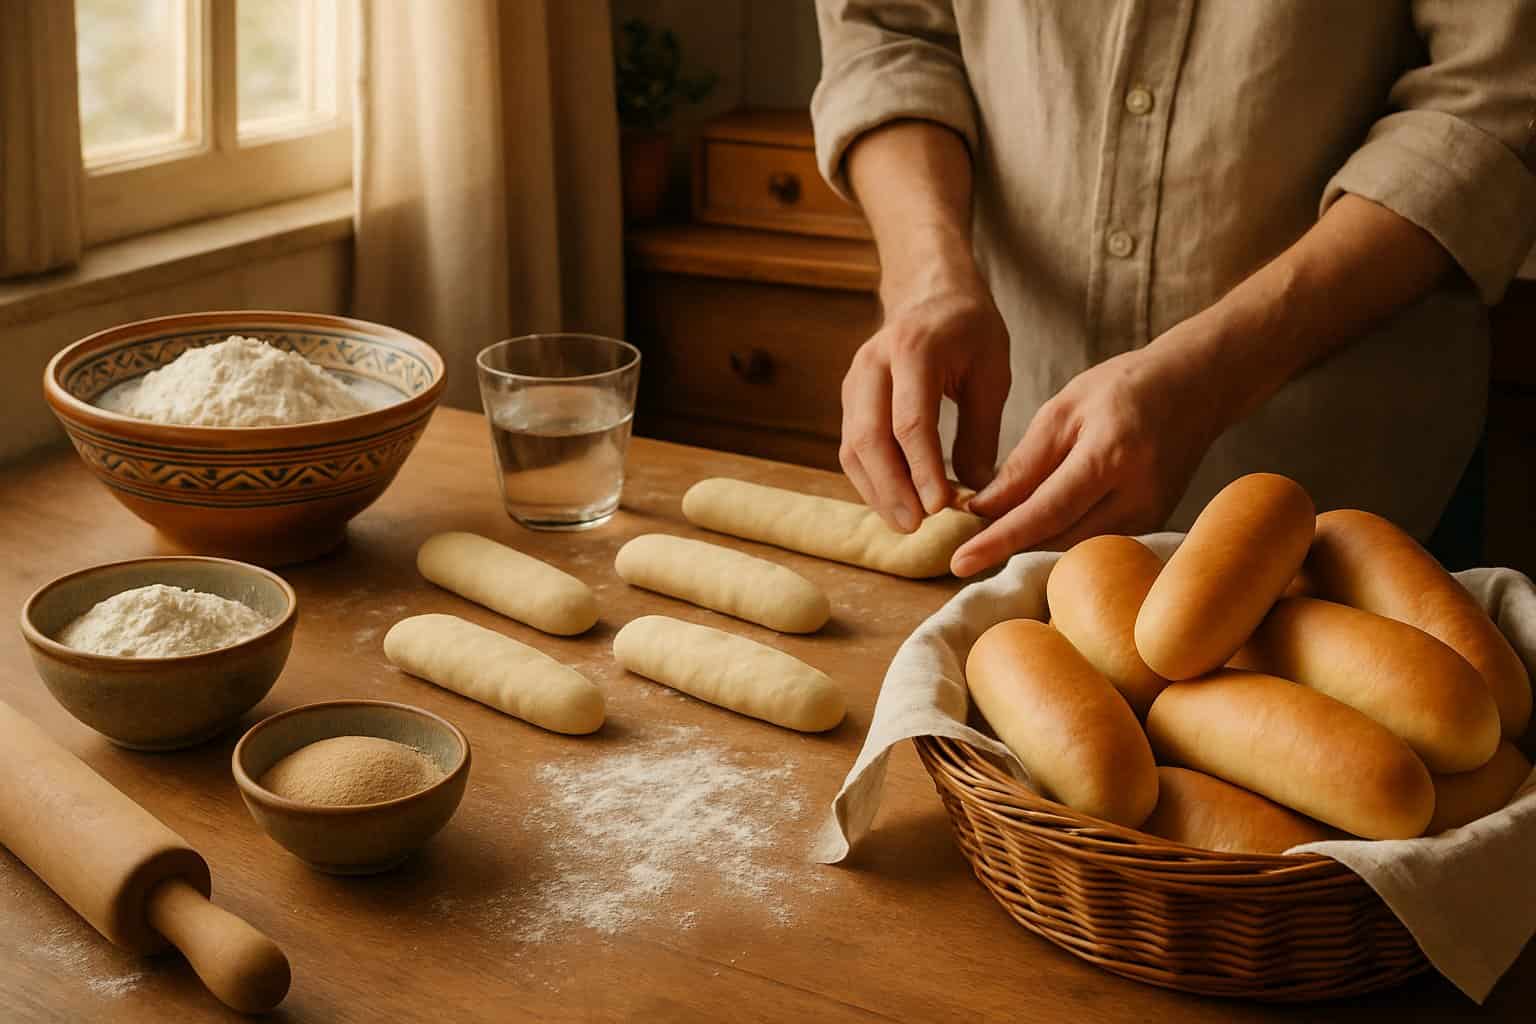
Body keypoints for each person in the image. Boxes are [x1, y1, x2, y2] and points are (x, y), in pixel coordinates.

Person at [811, 1, 1536, 577]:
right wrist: (927, 277)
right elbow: (887, 31)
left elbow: (1495, 97)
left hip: (1347, 494)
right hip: (988, 469)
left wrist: (1216, 377)